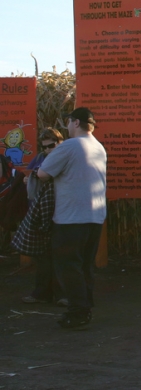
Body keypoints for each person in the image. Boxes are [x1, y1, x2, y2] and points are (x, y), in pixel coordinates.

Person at [38, 108, 107, 329]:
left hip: (71, 218)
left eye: (68, 122)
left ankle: (77, 312)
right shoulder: (99, 147)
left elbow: (43, 173)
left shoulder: (71, 145)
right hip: (95, 216)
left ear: (76, 123)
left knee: (68, 265)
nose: (67, 126)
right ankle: (85, 305)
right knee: (85, 265)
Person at [12, 128, 67, 305]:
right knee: (43, 255)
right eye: (44, 147)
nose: (47, 150)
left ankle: (61, 293)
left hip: (59, 209)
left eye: (51, 145)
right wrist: (28, 179)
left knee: (60, 255)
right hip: (40, 209)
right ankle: (43, 292)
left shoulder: (65, 156)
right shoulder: (40, 158)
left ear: (60, 141)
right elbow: (29, 175)